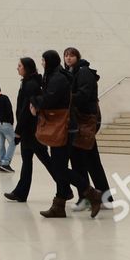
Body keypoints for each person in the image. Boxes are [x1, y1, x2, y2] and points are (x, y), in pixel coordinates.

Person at [64, 47, 110, 215]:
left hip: (85, 121)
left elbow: (83, 95)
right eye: (66, 55)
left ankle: (95, 198)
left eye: (71, 55)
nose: (68, 58)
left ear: (78, 57)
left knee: (86, 161)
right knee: (85, 160)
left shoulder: (83, 72)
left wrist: (66, 97)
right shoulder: (72, 72)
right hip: (80, 121)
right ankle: (95, 197)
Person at [34, 49, 78, 216]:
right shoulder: (53, 75)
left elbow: (50, 99)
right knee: (59, 167)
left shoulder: (58, 77)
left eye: (44, 61)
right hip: (60, 125)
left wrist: (35, 100)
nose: (43, 63)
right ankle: (59, 205)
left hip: (63, 126)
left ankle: (90, 192)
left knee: (59, 167)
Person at [5, 57, 49, 202]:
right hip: (28, 131)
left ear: (26, 68)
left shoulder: (30, 85)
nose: (17, 68)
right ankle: (20, 193)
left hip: (32, 132)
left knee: (47, 161)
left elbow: (26, 110)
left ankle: (69, 187)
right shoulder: (28, 82)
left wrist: (18, 131)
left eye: (19, 66)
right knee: (27, 162)